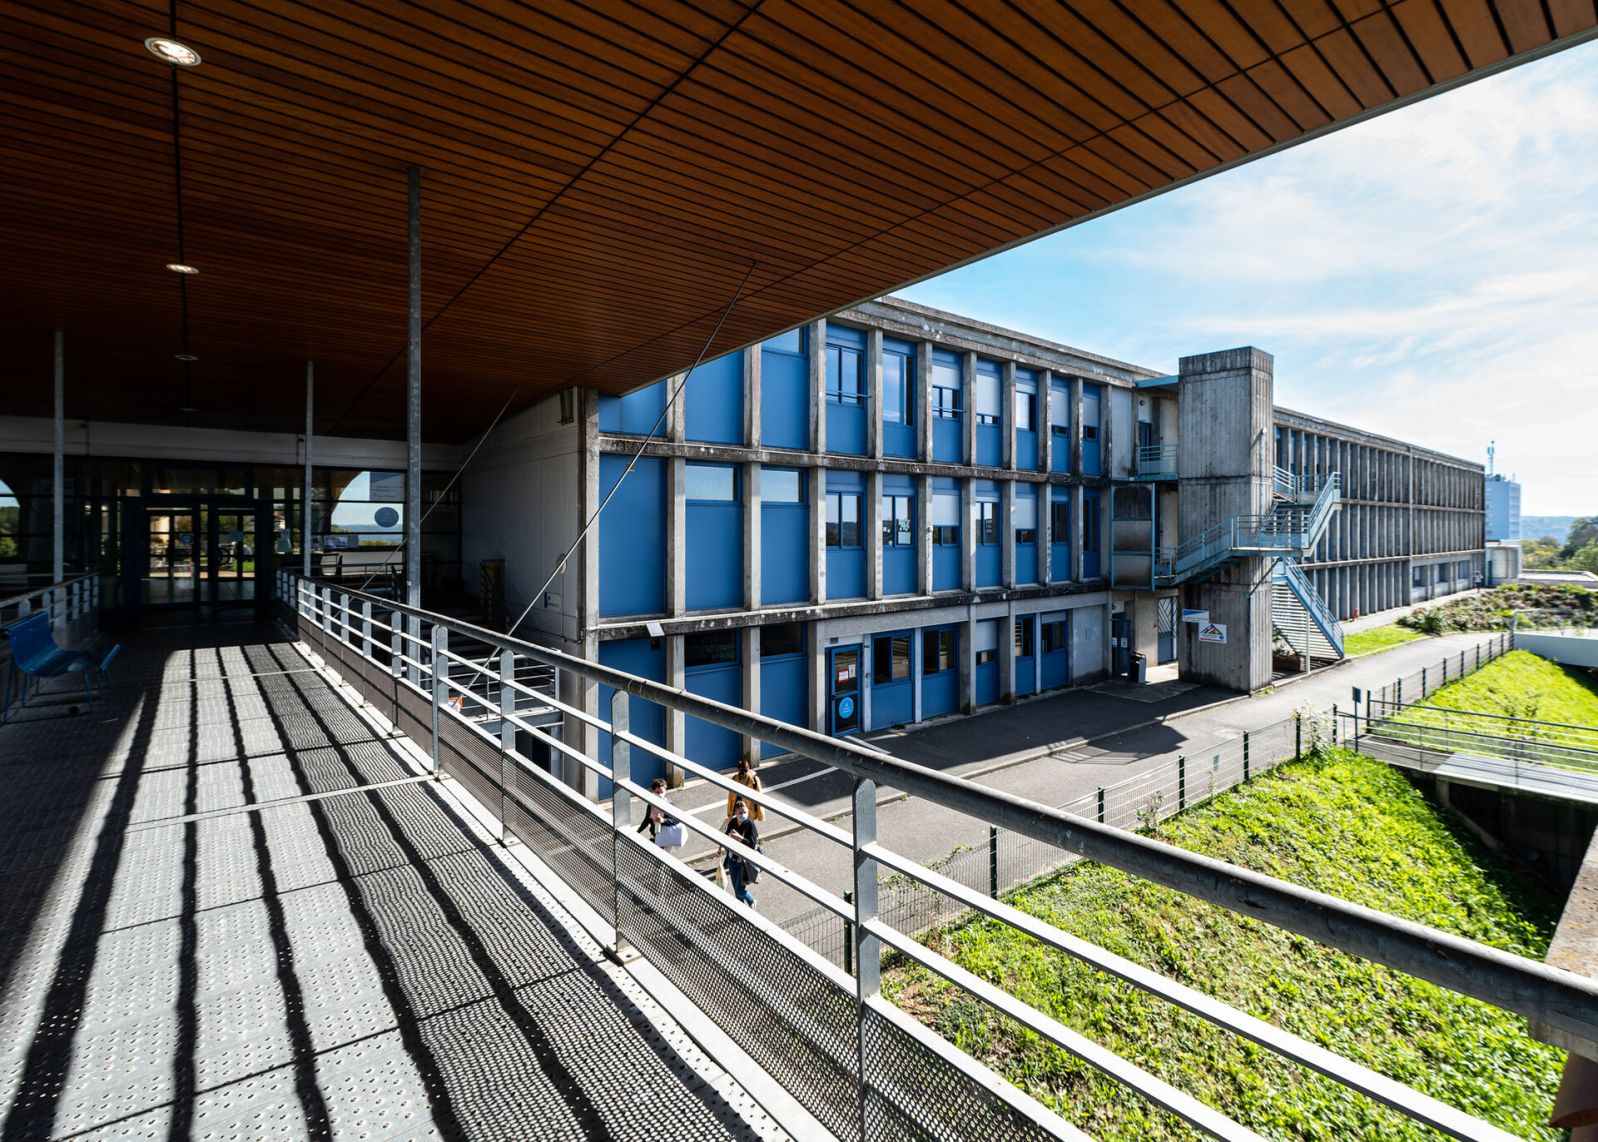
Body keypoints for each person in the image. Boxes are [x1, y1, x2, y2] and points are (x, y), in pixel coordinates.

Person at [722, 797, 760, 909]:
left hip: (743, 862)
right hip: (731, 860)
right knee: (736, 889)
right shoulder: (733, 822)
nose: (742, 814)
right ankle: (741, 909)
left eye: (744, 812)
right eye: (740, 813)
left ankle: (751, 900)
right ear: (735, 813)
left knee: (740, 889)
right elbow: (726, 836)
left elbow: (752, 845)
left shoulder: (750, 825)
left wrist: (740, 838)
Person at [636, 777, 684, 856]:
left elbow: (676, 820)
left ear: (665, 790)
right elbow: (646, 820)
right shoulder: (651, 805)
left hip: (666, 837)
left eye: (661, 792)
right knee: (652, 857)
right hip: (655, 836)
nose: (660, 794)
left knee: (661, 859)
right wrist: (637, 832)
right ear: (653, 791)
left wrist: (663, 821)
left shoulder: (669, 805)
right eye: (657, 792)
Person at [726, 757, 765, 823]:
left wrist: (761, 815)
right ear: (738, 770)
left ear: (748, 769)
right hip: (738, 808)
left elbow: (759, 797)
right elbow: (730, 797)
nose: (743, 773)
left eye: (745, 771)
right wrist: (730, 812)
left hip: (749, 809)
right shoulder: (734, 779)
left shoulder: (754, 780)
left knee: (748, 828)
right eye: (741, 771)